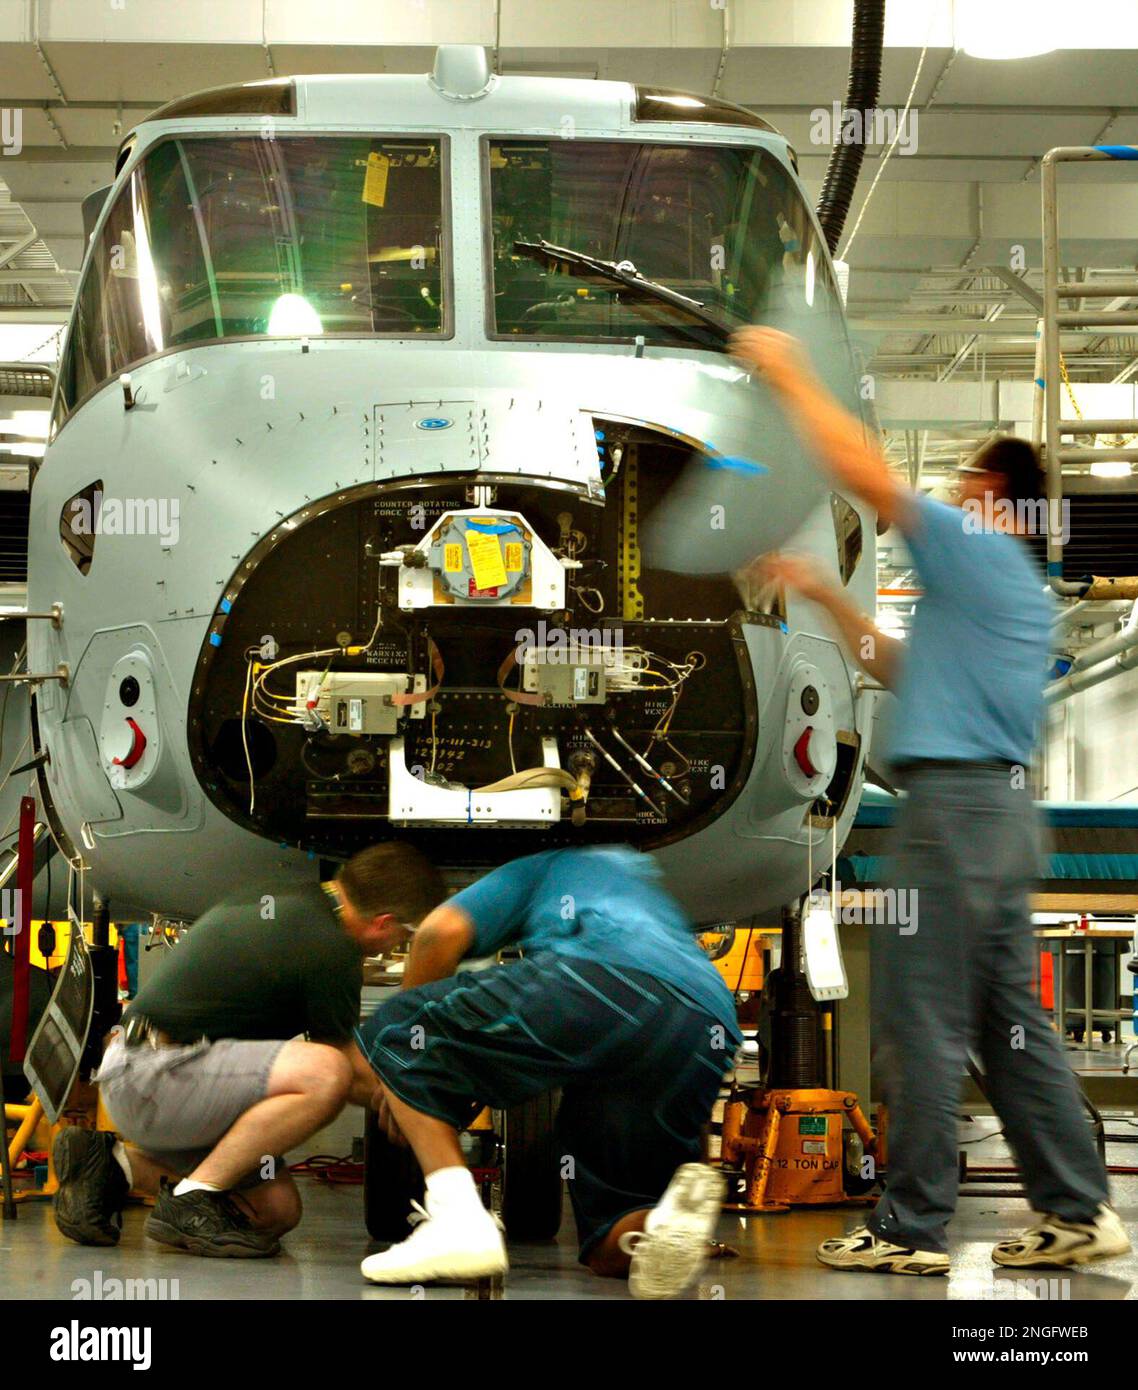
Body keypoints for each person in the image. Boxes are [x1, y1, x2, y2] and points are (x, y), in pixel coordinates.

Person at [730, 324, 1129, 1275]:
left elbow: (862, 472)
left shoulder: (975, 545)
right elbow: (902, 669)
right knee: (1012, 1033)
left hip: (950, 819)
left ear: (993, 494)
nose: (953, 492)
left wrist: (791, 372)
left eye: (966, 481)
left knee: (922, 1023)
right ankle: (1080, 1210)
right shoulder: (1013, 592)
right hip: (999, 822)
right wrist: (825, 595)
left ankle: (909, 1228)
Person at [354, 845, 740, 1298]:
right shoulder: (642, 886)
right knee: (608, 1240)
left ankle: (455, 1220)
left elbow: (439, 933)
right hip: (705, 1023)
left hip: (603, 980)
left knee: (398, 1029)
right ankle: (658, 1225)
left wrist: (406, 1072)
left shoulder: (542, 866)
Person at [53, 842, 444, 1257]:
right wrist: (416, 1107)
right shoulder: (330, 944)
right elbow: (345, 1067)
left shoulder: (298, 900)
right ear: (383, 923)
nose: (393, 948)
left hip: (150, 1078)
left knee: (274, 1210)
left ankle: (111, 1166)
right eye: (404, 936)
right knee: (326, 1072)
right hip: (154, 1076)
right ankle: (193, 1198)